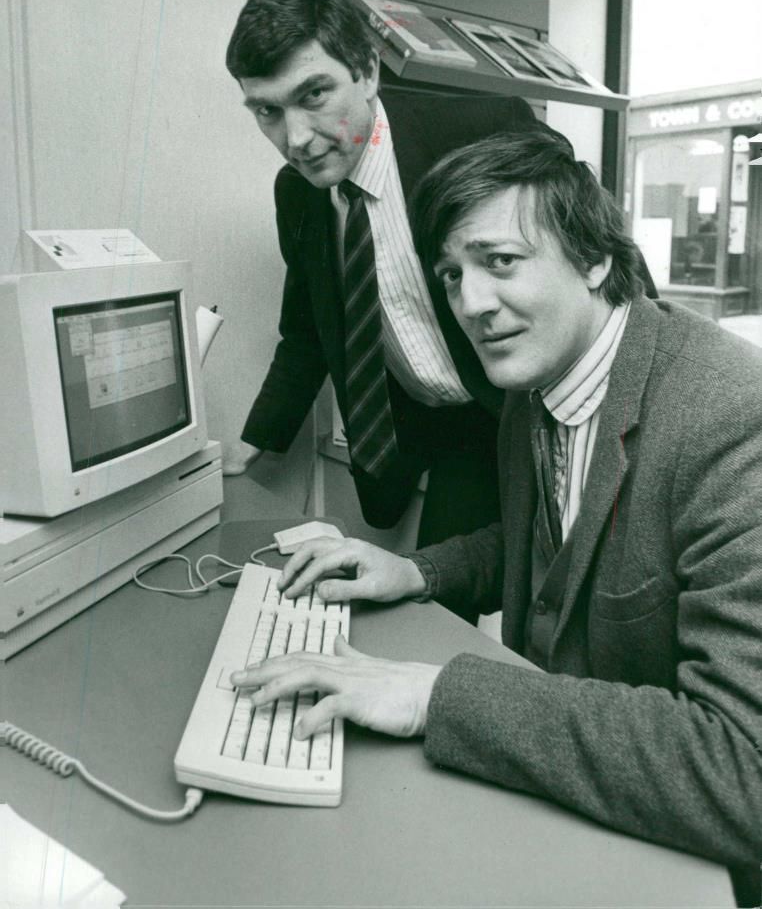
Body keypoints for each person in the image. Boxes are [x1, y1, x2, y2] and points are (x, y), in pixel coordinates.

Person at [231, 129, 762, 890]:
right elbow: (547, 543)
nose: (471, 304)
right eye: (451, 275)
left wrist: (432, 695)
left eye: (501, 261)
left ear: (594, 258)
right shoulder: (537, 385)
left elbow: (744, 769)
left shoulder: (733, 416)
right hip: (565, 802)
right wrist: (415, 572)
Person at [223, 0, 556, 545]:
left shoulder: (480, 132)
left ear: (368, 72)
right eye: (267, 111)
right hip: (442, 432)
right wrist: (253, 441)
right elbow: (307, 332)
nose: (295, 138)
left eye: (313, 95)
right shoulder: (297, 192)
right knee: (439, 582)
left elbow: (596, 255)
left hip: (527, 410)